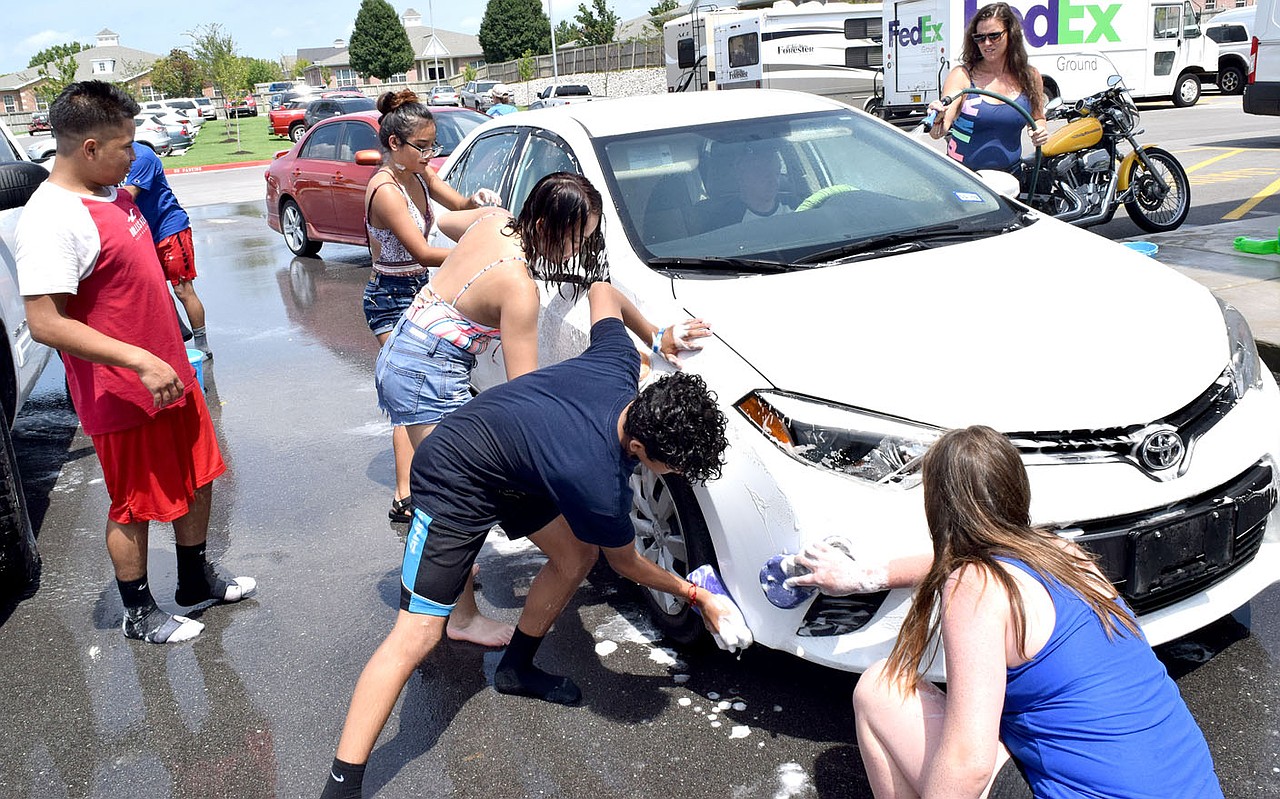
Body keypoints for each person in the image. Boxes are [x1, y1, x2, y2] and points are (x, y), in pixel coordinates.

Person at [320, 281, 735, 799]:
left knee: (575, 555)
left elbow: (604, 292)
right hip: (454, 473)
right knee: (419, 634)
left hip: (518, 462)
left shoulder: (618, 364)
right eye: (671, 464)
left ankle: (516, 668)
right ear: (638, 446)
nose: (674, 474)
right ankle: (341, 786)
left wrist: (656, 336)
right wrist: (700, 597)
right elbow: (628, 564)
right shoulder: (598, 481)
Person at [846, 426, 1223, 798]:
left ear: (938, 507)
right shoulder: (1066, 555)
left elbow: (968, 763)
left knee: (880, 689)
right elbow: (960, 557)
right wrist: (865, 575)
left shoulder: (974, 586)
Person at [14, 80, 255, 645]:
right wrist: (137, 361)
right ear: (90, 147)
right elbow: (47, 323)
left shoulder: (116, 194)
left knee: (198, 480)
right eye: (125, 145)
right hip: (122, 390)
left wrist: (168, 353)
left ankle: (195, 580)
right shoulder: (50, 218)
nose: (135, 155)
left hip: (171, 371)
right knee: (136, 503)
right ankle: (139, 610)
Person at [362, 89, 500, 527]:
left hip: (419, 291)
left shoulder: (419, 175)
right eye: (422, 147)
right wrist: (480, 253)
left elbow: (458, 205)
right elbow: (422, 251)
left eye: (432, 145)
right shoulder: (385, 189)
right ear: (394, 145)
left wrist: (479, 202)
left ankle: (420, 484)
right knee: (411, 392)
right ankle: (406, 493)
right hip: (389, 298)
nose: (429, 155)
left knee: (420, 395)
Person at [926, 2, 1050, 171]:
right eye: (979, 38)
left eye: (994, 36)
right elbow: (938, 132)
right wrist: (938, 118)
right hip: (965, 177)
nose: (986, 43)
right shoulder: (962, 75)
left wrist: (1040, 131)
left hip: (1010, 178)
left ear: (1011, 35)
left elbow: (1037, 118)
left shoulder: (1029, 76)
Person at [122, 140, 212, 359]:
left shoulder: (142, 157)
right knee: (152, 289)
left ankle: (202, 343)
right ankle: (178, 331)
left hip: (169, 229)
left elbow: (128, 195)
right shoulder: (111, 157)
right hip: (141, 231)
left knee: (182, 288)